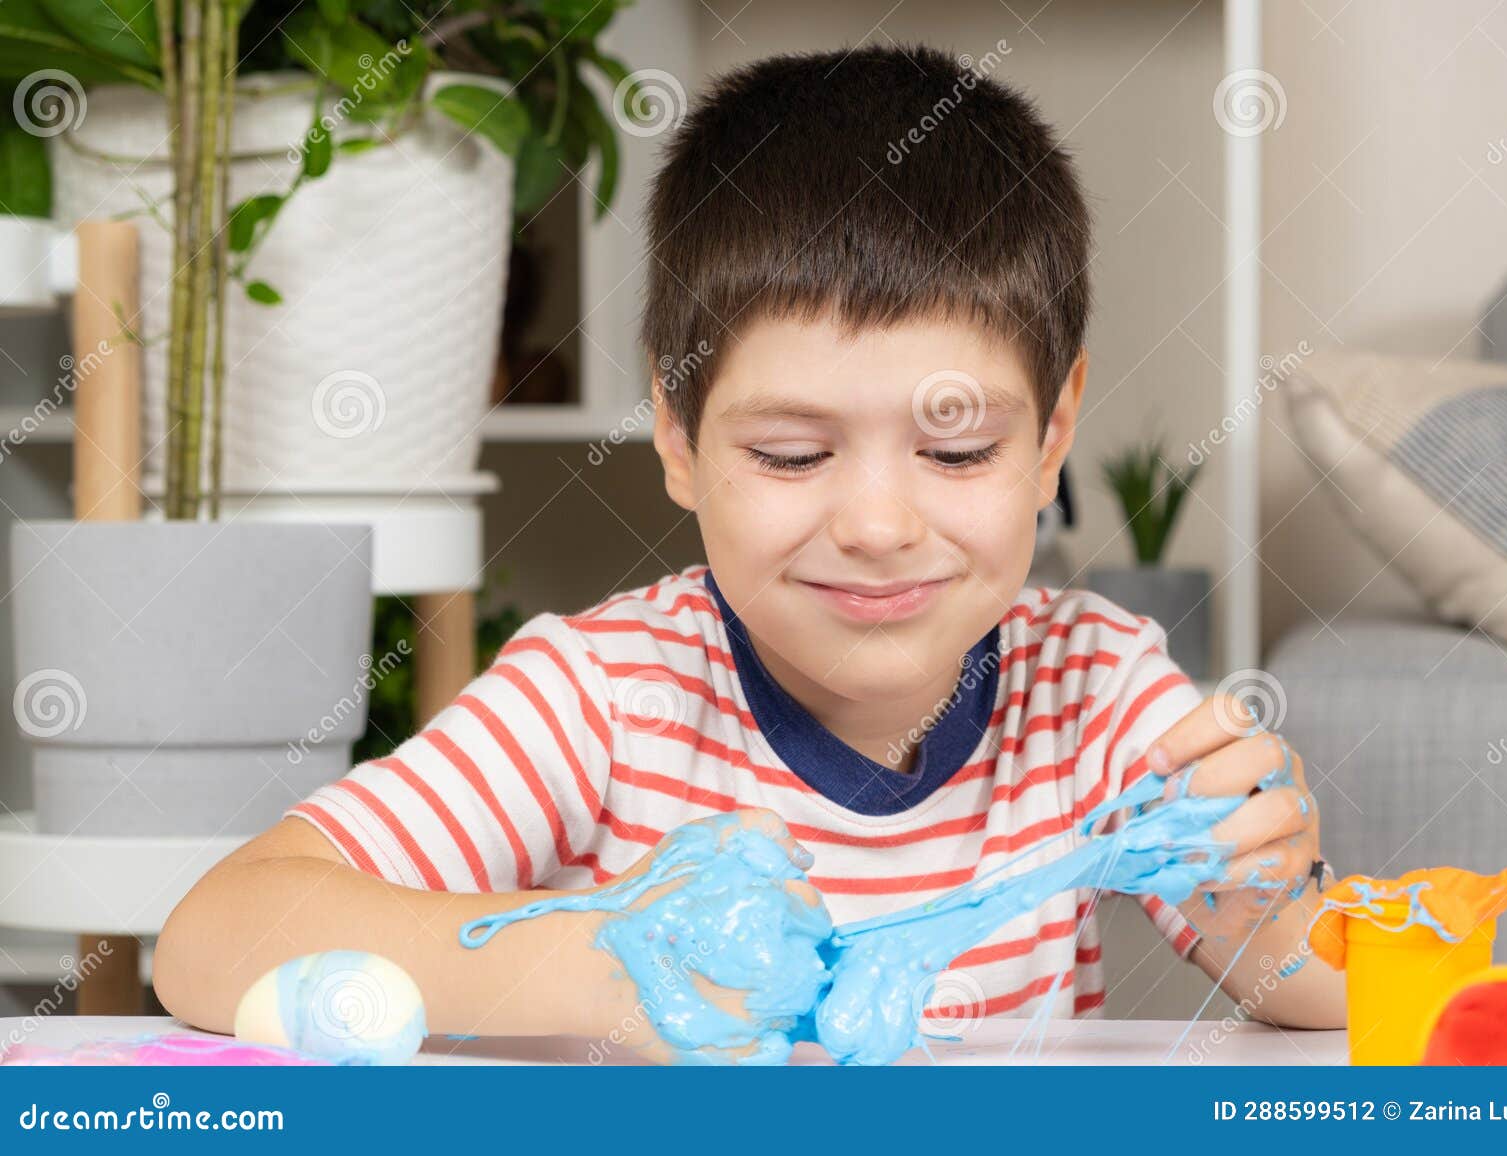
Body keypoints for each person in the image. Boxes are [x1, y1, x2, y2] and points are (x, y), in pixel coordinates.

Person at [154, 44, 1344, 1061]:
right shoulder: (604, 697)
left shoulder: (1091, 688)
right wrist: (602, 962)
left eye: (960, 448)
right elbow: (212, 935)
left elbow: (1320, 994)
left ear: (1053, 437)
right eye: (788, 454)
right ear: (677, 436)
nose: (878, 527)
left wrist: (1263, 903)